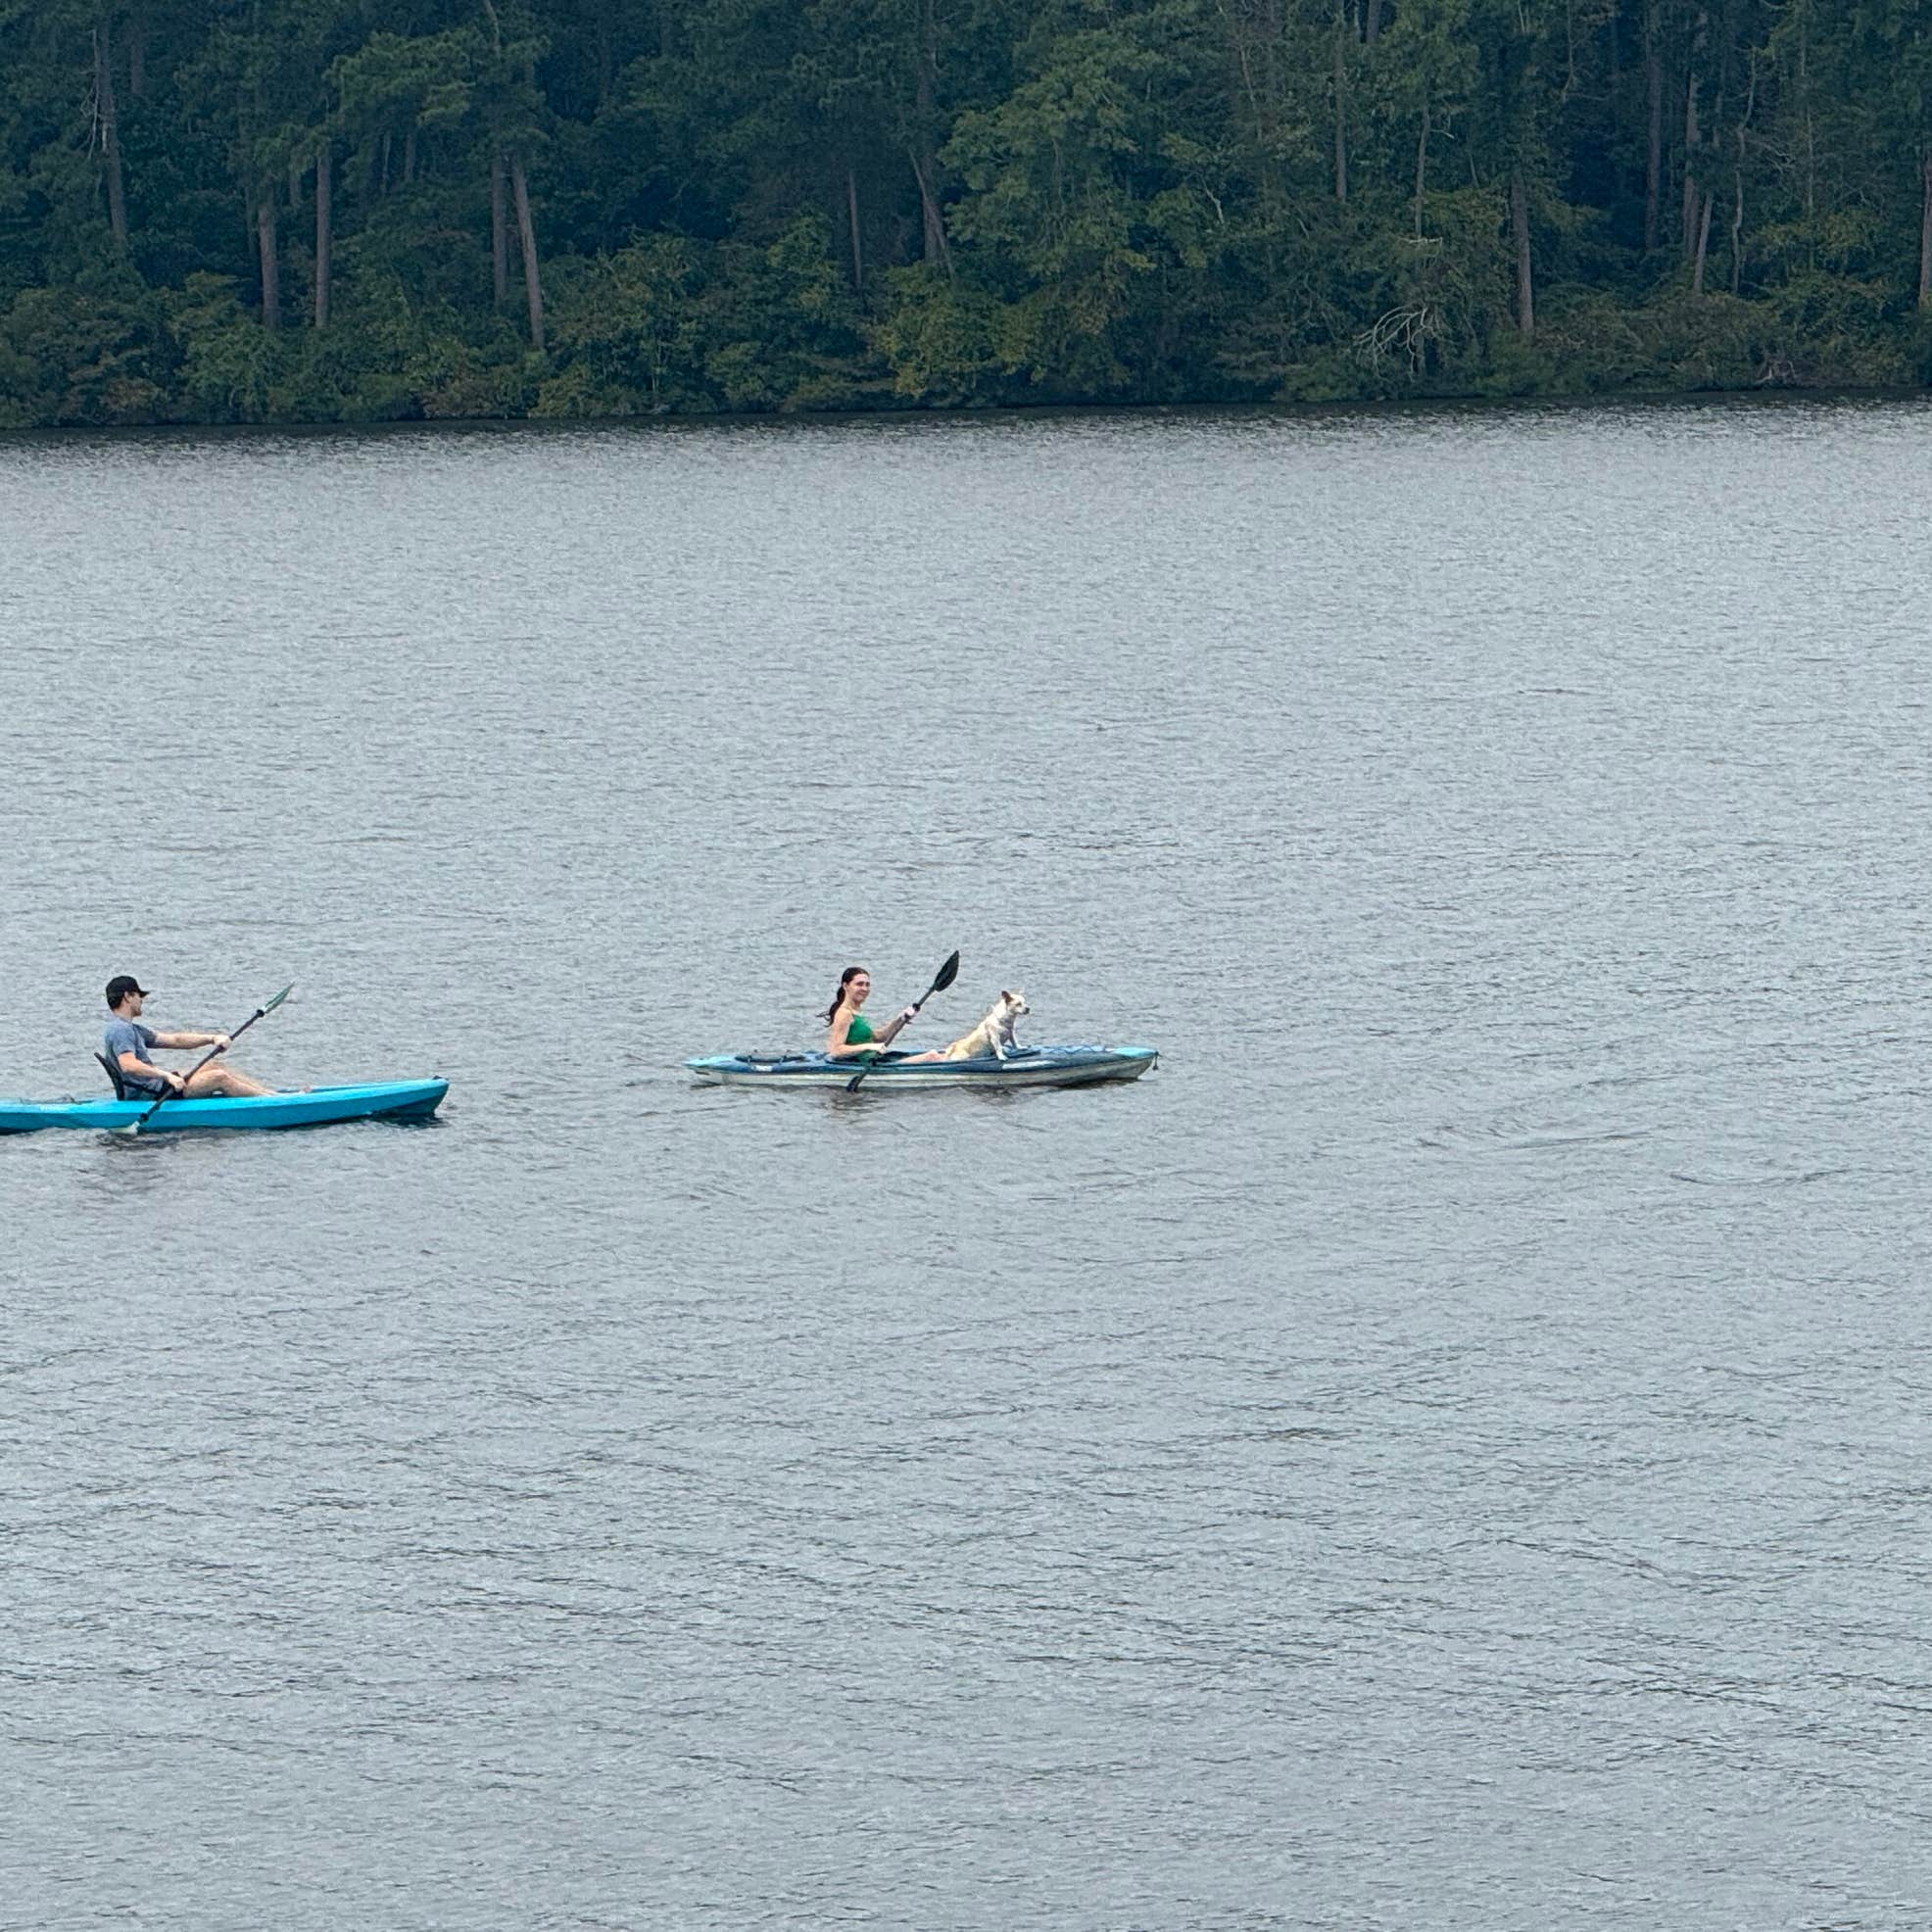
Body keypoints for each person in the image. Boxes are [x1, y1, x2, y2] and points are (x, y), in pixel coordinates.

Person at [102, 975, 273, 1099]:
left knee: (214, 1065)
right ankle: (270, 1103)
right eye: (139, 996)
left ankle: (271, 1095)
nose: (142, 1001)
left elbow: (175, 1040)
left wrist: (212, 1038)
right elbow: (129, 1065)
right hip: (148, 1093)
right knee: (219, 1078)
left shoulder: (133, 1029)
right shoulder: (120, 1030)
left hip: (154, 1085)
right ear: (127, 997)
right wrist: (167, 1076)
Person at [824, 967, 917, 1060]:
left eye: (867, 985)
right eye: (859, 984)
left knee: (931, 1055)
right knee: (931, 1056)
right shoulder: (844, 1013)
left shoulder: (856, 1011)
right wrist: (869, 1046)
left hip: (874, 1060)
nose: (864, 988)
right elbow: (836, 1050)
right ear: (845, 986)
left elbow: (878, 1038)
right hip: (864, 1064)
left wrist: (900, 1019)